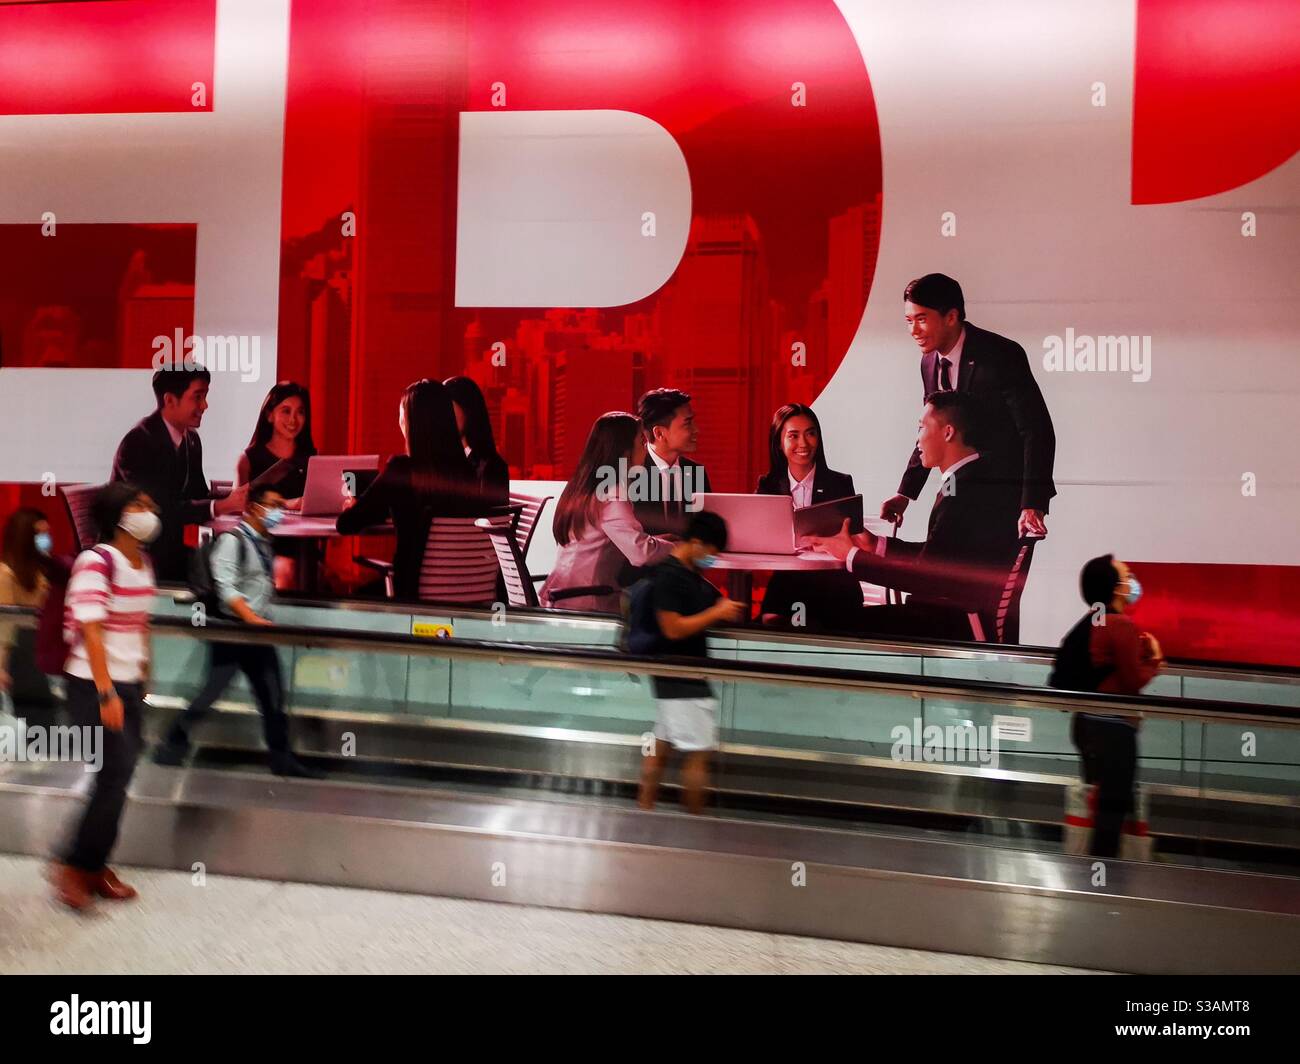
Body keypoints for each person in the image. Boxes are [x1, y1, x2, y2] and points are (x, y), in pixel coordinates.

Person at [880, 274, 1055, 637]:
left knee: (996, 606)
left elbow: (1035, 430)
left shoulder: (1000, 355)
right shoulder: (929, 363)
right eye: (908, 320)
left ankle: (999, 674)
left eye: (922, 318)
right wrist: (906, 493)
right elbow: (933, 428)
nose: (914, 330)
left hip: (1004, 502)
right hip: (963, 498)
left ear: (952, 316)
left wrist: (1031, 503)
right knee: (950, 596)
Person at [807, 391, 1021, 639]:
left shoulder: (964, 491)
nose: (917, 440)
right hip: (955, 617)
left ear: (948, 432)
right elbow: (939, 556)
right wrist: (877, 544)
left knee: (827, 622)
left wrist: (851, 555)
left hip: (951, 625)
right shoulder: (971, 481)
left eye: (921, 427)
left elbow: (923, 578)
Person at [154, 486, 320, 778]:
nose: (280, 511)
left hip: (254, 631)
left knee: (272, 696)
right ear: (254, 507)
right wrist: (251, 619)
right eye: (274, 505)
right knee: (215, 692)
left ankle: (281, 758)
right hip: (234, 632)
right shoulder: (234, 541)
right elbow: (226, 587)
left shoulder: (262, 542)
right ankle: (172, 742)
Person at [50, 483, 159, 910]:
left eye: (149, 504)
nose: (149, 511)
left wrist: (144, 670)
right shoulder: (95, 562)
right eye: (139, 504)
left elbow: (140, 622)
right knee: (113, 773)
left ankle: (91, 864)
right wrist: (106, 690)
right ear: (116, 514)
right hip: (94, 684)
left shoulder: (142, 561)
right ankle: (73, 865)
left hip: (127, 682)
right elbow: (91, 630)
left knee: (120, 775)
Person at [1051, 555, 1164, 859]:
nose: (1132, 583)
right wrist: (1154, 661)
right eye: (1127, 577)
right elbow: (1132, 681)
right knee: (1111, 811)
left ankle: (1091, 871)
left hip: (1086, 724)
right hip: (1115, 730)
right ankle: (1105, 876)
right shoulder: (1120, 625)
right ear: (1115, 588)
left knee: (1097, 803)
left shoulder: (1093, 622)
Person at [337, 379, 487, 602]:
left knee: (347, 598)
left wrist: (356, 506)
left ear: (409, 421)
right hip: (469, 599)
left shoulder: (401, 470)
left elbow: (346, 524)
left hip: (412, 597)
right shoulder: (471, 472)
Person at [636, 511, 746, 814]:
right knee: (699, 751)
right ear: (696, 543)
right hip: (683, 675)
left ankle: (643, 810)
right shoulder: (671, 577)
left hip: (676, 674)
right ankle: (695, 823)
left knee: (661, 746)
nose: (713, 560)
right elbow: (672, 627)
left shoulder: (686, 573)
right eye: (712, 553)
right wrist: (717, 613)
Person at [110, 367, 248, 582]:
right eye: (198, 397)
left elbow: (197, 494)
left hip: (172, 540)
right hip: (142, 545)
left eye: (205, 396)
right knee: (217, 560)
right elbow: (158, 510)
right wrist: (220, 506)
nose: (205, 405)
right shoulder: (139, 442)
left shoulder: (191, 440)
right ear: (170, 400)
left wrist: (235, 498)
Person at [541, 412, 675, 613]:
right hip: (586, 603)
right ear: (623, 450)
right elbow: (641, 554)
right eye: (641, 441)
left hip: (560, 596)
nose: (646, 449)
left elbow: (627, 539)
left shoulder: (584, 486)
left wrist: (658, 541)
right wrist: (676, 548)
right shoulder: (613, 493)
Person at [755, 403, 863, 631]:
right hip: (787, 582)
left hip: (832, 583)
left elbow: (852, 539)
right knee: (767, 624)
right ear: (779, 442)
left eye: (810, 433)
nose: (803, 443)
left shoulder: (840, 483)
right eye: (793, 436)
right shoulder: (768, 485)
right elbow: (758, 538)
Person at [0, 508, 56, 727]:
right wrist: (1, 667)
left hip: (39, 645)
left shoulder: (42, 572)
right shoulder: (5, 574)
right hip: (18, 648)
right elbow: (5, 623)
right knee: (36, 716)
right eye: (40, 534)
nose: (46, 540)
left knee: (42, 716)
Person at [631, 388, 711, 537]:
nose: (696, 430)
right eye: (688, 423)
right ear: (659, 433)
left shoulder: (695, 472)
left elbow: (706, 531)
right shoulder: (629, 475)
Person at [235, 382, 317, 509]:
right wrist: (287, 504)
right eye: (286, 411)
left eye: (300, 412)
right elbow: (238, 506)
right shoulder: (248, 459)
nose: (293, 420)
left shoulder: (312, 458)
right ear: (269, 415)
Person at [444, 376, 510, 507]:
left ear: (468, 409)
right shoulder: (451, 461)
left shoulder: (491, 467)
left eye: (448, 408)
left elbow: (492, 522)